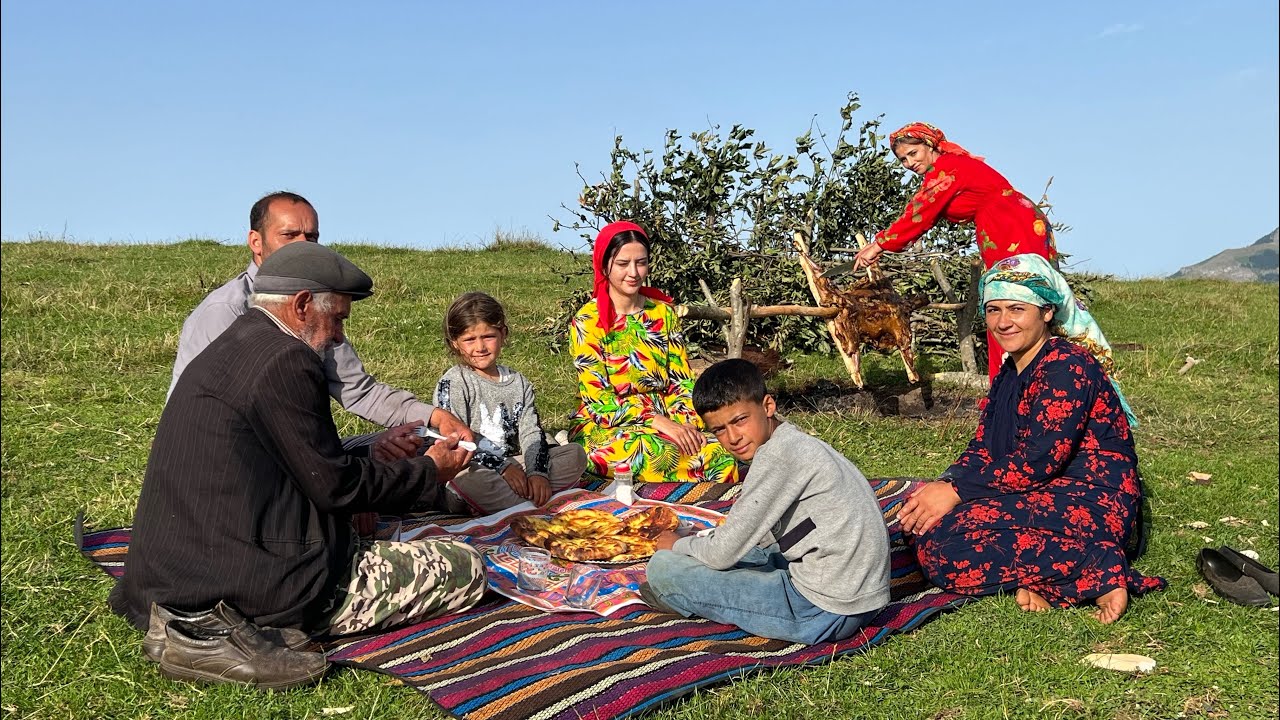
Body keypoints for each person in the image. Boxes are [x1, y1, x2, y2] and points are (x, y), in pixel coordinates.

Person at [110, 243, 488, 657]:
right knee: (467, 567)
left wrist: (371, 457)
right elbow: (334, 488)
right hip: (241, 585)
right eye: (338, 318)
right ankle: (235, 634)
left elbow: (295, 464)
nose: (339, 335)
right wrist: (429, 470)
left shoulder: (236, 342)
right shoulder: (287, 360)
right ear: (303, 305)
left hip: (173, 573)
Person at [897, 254, 1164, 624]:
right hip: (1039, 491)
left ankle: (1098, 567)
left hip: (1090, 501)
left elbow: (1039, 460)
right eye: (993, 310)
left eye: (1017, 309)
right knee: (919, 524)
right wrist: (944, 485)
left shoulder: (1067, 367)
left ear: (1047, 313)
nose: (1003, 322)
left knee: (945, 550)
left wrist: (957, 493)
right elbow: (982, 448)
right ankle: (1044, 575)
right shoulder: (1011, 371)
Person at [167, 190, 473, 447]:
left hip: (297, 444)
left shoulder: (318, 306)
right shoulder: (225, 311)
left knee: (415, 443)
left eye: (311, 236)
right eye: (289, 235)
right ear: (256, 242)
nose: (303, 245)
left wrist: (433, 416)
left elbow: (357, 389)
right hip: (235, 451)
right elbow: (216, 417)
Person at [641, 359, 890, 644]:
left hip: (825, 609)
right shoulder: (792, 440)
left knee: (664, 567)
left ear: (768, 406)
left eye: (739, 420)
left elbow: (721, 554)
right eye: (719, 430)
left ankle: (675, 593)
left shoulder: (777, 458)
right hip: (861, 594)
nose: (733, 437)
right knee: (748, 549)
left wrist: (677, 544)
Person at [852, 122, 1059, 378]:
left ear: (929, 145)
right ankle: (1023, 377)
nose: (908, 163)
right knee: (1016, 299)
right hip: (1011, 223)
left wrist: (880, 244)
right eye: (902, 159)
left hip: (1011, 226)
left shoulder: (947, 169)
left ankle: (1024, 380)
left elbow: (920, 213)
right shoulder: (947, 168)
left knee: (1014, 300)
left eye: (913, 154)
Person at [568, 221, 738, 483]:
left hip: (669, 414)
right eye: (623, 264)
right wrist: (656, 422)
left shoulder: (662, 313)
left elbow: (682, 379)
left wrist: (686, 424)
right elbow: (598, 400)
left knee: (720, 455)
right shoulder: (588, 322)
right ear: (604, 266)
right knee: (642, 451)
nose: (634, 272)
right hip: (610, 424)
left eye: (641, 262)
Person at [433, 291, 588, 515]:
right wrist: (502, 467)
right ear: (454, 343)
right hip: (473, 468)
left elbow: (531, 433)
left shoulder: (519, 383)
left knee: (574, 455)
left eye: (488, 336)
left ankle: (521, 498)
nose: (480, 347)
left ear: (503, 334)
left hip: (514, 466)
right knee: (469, 482)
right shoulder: (453, 382)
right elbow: (456, 442)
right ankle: (531, 507)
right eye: (469, 339)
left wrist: (537, 473)